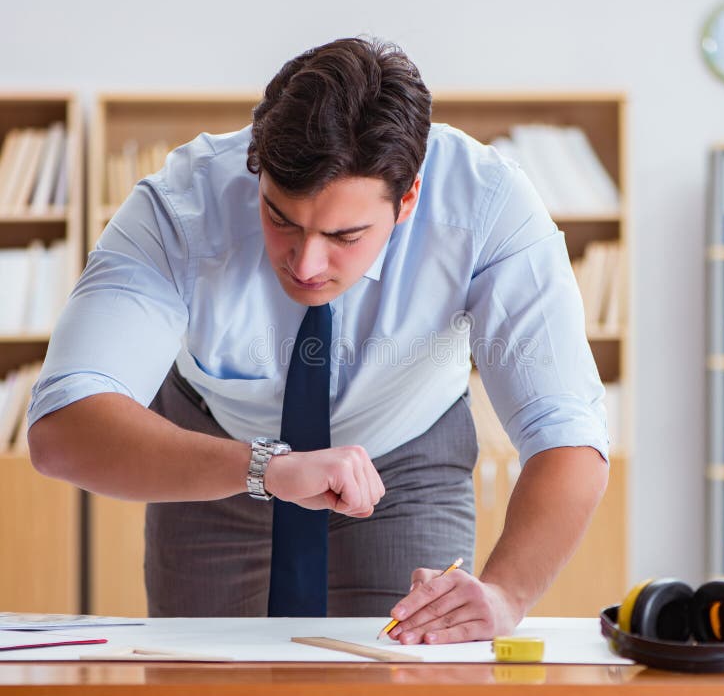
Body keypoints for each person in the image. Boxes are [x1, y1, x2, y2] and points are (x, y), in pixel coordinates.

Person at [28, 36, 609, 645]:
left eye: (345, 234)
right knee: (201, 676)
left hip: (406, 458)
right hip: (219, 453)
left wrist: (505, 594)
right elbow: (62, 425)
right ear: (256, 163)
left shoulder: (488, 205)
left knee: (408, 670)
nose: (306, 265)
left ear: (407, 198)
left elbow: (567, 429)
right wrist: (266, 467)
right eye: (281, 219)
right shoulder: (179, 208)